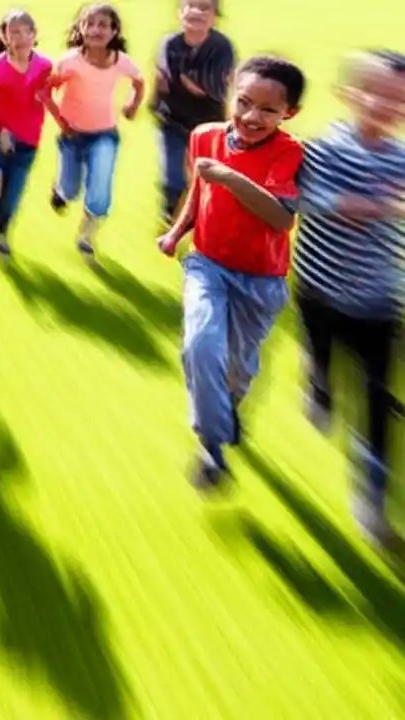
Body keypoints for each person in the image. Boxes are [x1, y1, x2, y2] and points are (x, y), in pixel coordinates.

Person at [156, 56, 306, 489]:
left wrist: (228, 176)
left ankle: (226, 413)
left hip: (262, 279)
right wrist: (177, 232)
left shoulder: (288, 151)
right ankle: (212, 448)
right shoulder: (204, 136)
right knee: (201, 348)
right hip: (207, 264)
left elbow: (280, 218)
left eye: (267, 109)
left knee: (237, 371)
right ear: (230, 96)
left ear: (288, 113)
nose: (251, 116)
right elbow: (199, 190)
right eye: (243, 102)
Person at [293, 50, 405, 548]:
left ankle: (371, 499)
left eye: (398, 101)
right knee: (321, 363)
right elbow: (305, 199)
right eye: (376, 93)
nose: (386, 106)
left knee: (378, 399)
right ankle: (317, 382)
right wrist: (371, 205)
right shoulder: (325, 148)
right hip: (318, 288)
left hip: (379, 301)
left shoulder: (401, 159)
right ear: (349, 94)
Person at [47, 2, 144, 258]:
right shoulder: (70, 61)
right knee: (70, 188)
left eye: (103, 25)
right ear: (80, 29)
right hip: (72, 135)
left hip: (105, 134)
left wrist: (132, 104)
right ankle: (60, 190)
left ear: (114, 32)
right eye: (89, 24)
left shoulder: (120, 61)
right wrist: (61, 121)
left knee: (100, 186)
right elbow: (47, 91)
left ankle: (87, 235)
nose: (95, 29)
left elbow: (139, 80)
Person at [0, 9, 54, 257]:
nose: (20, 37)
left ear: (34, 35)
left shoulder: (44, 66)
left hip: (28, 142)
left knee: (12, 197)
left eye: (25, 32)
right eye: (14, 32)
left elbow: (51, 96)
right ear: (4, 37)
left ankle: (2, 233)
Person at [152, 0, 235, 226]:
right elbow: (166, 75)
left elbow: (215, 86)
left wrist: (191, 81)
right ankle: (170, 212)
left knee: (206, 175)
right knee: (173, 176)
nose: (197, 11)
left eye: (205, 7)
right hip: (172, 120)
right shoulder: (170, 44)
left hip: (208, 124)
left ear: (215, 16)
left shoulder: (222, 47)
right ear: (180, 12)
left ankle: (201, 216)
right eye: (191, 5)